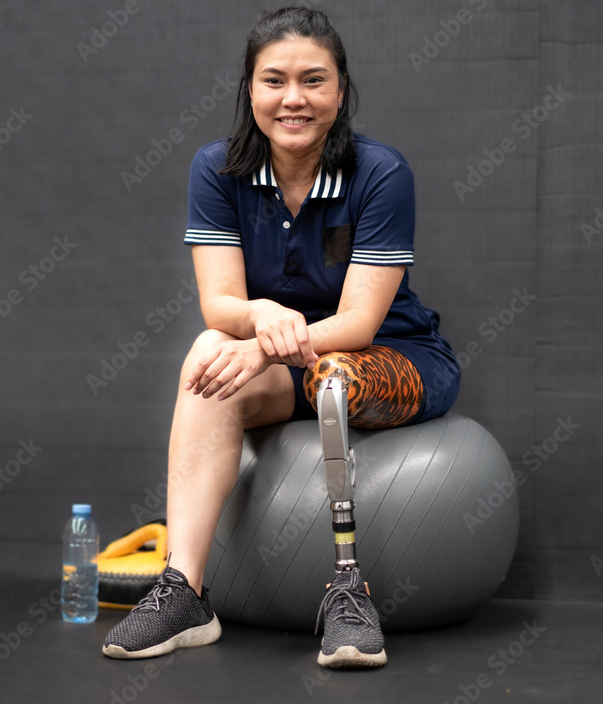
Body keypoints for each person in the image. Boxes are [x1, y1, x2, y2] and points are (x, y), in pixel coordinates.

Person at [103, 7, 460, 668]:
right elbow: (221, 305)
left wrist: (263, 337)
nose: (293, 98)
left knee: (332, 373)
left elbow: (357, 325)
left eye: (313, 80)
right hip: (293, 364)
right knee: (207, 354)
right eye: (274, 80)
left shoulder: (382, 173)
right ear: (249, 90)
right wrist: (260, 317)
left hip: (393, 359)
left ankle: (349, 594)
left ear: (342, 91)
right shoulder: (218, 170)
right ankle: (184, 592)